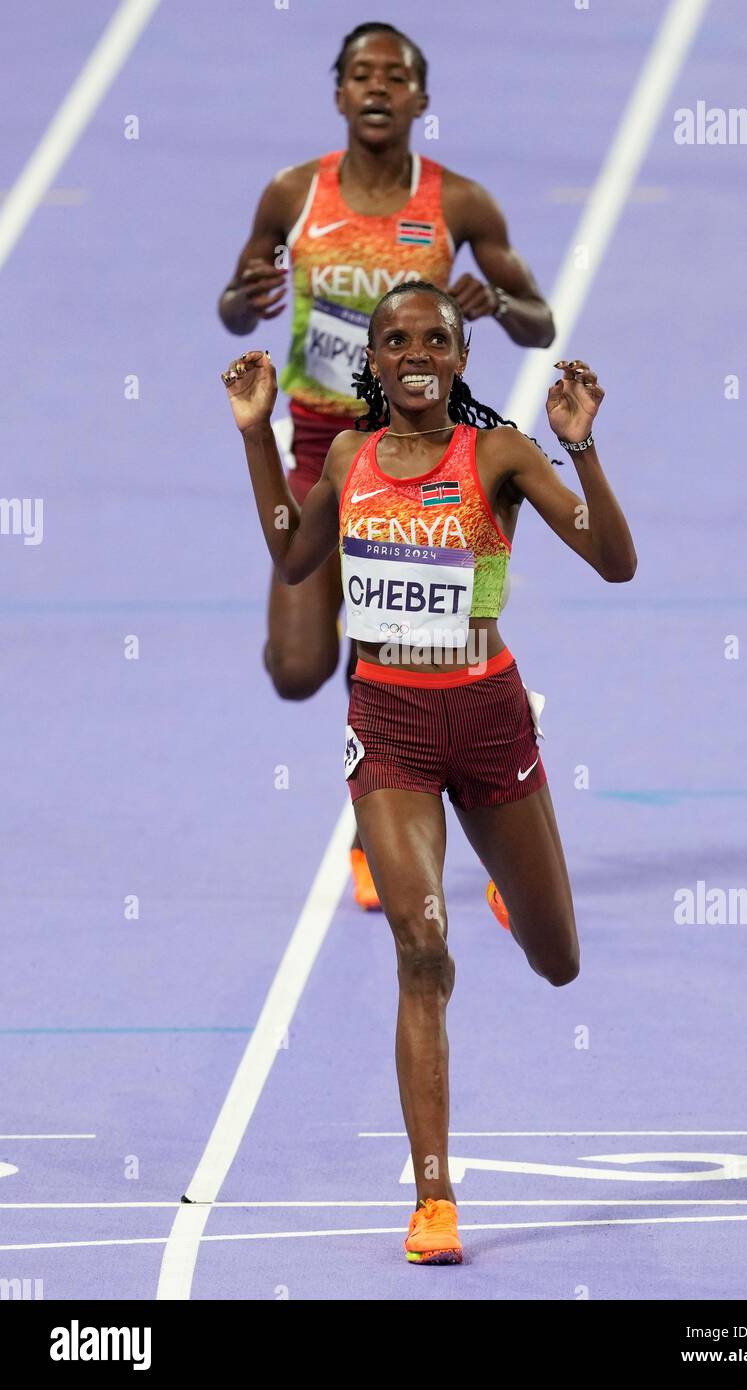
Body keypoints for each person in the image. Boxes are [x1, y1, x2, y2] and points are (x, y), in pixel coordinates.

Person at [221, 282, 636, 1265]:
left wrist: (578, 444)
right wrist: (255, 434)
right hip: (392, 731)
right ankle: (434, 1200)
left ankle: (509, 889)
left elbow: (613, 562)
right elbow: (292, 557)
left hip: (491, 723)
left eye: (433, 339)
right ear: (371, 359)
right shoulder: (351, 458)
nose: (413, 352)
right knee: (419, 947)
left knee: (556, 957)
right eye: (394, 339)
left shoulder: (495, 453)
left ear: (457, 357)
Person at [218, 21, 555, 910]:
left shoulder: (460, 205)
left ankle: (414, 825)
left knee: (412, 639)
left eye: (395, 76)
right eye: (360, 75)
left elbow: (539, 321)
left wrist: (501, 301)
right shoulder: (294, 196)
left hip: (429, 464)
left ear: (420, 100)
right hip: (327, 458)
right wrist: (246, 300)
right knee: (296, 671)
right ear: (337, 93)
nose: (377, 88)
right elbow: (230, 302)